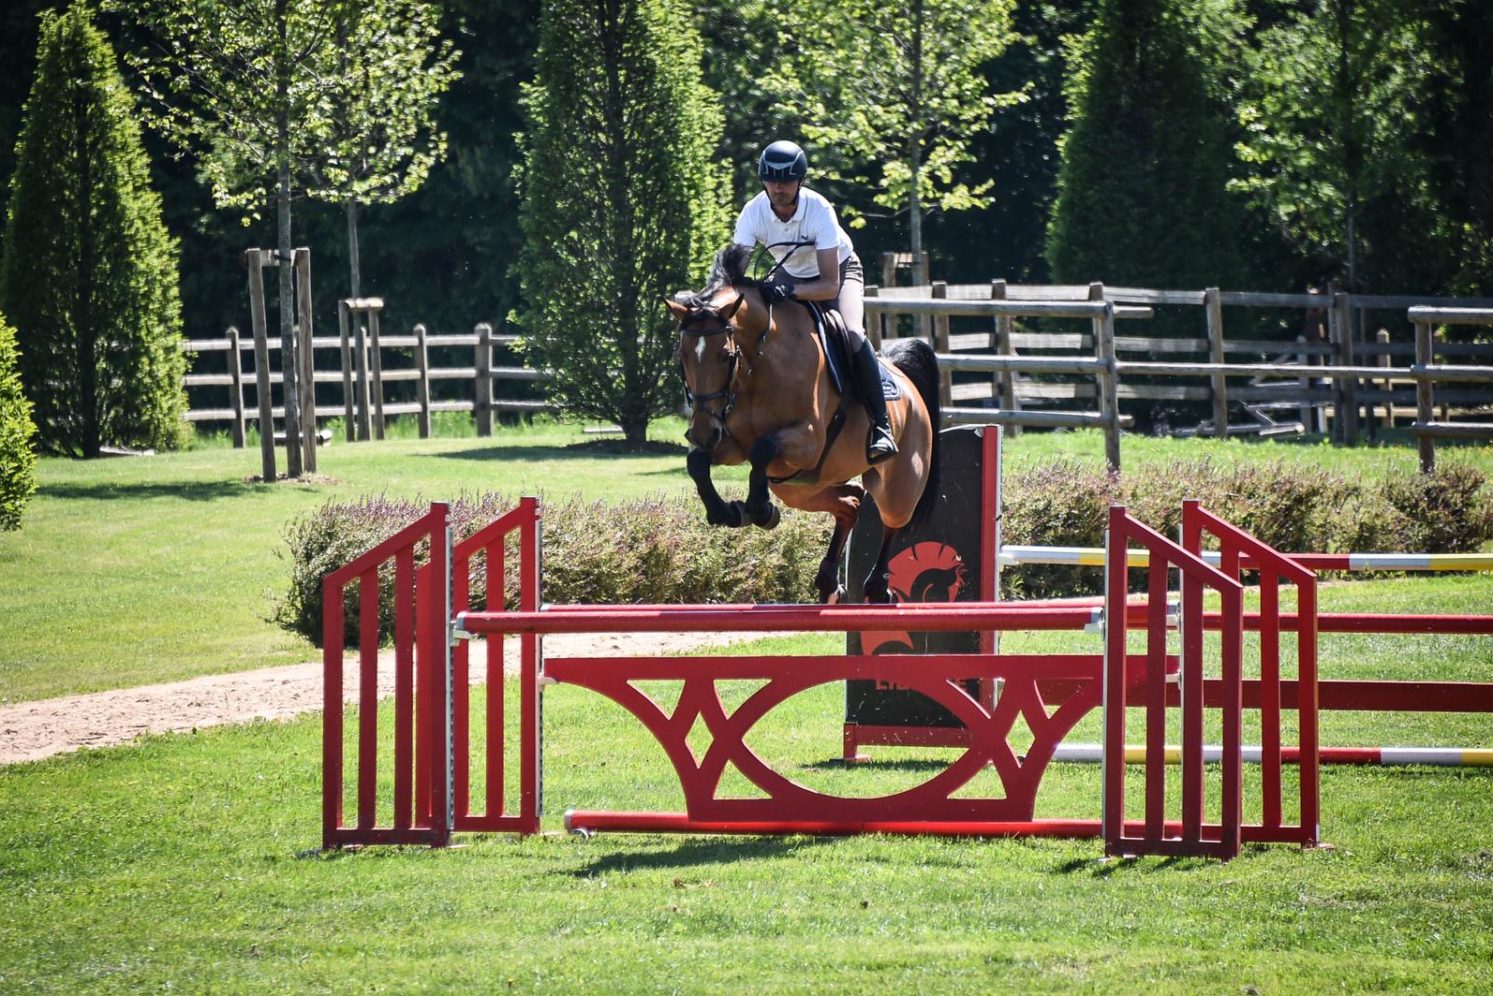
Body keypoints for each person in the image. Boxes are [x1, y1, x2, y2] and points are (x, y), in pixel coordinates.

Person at [732, 139, 898, 464]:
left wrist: (789, 292)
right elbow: (735, 274)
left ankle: (882, 425)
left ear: (800, 181)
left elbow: (828, 284)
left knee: (851, 333)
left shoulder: (818, 209)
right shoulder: (753, 212)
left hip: (838, 273)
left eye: (787, 180)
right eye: (772, 180)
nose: (778, 187)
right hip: (788, 275)